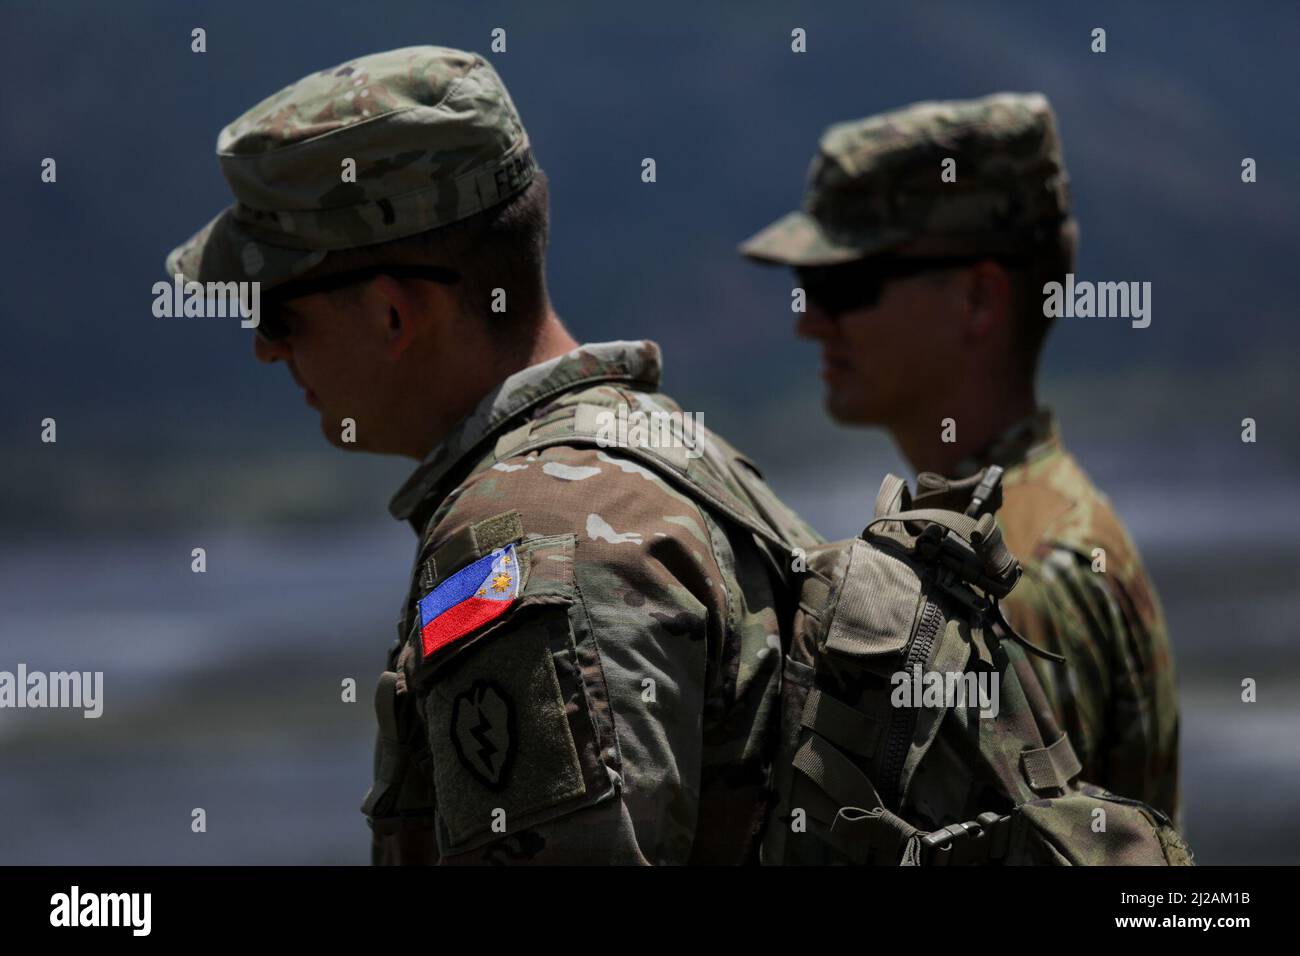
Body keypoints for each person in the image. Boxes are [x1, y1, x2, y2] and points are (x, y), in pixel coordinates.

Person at [165, 45, 820, 864]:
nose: (267, 351)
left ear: (392, 318)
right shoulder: (675, 449)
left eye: (276, 314)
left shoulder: (522, 537)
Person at [739, 92, 1180, 825]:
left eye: (845, 285)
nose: (809, 323)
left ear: (978, 298)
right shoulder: (1027, 529)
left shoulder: (1008, 585)